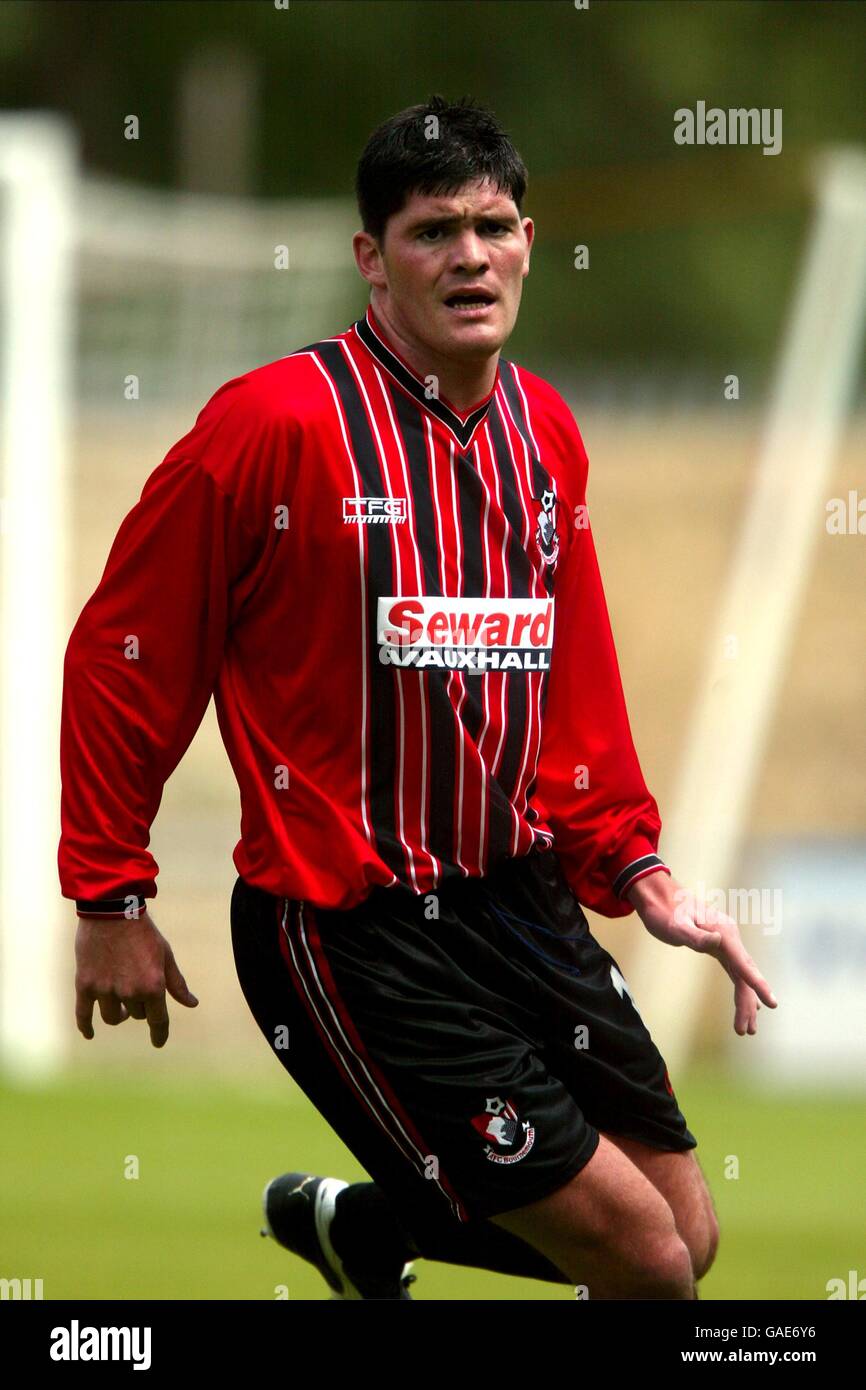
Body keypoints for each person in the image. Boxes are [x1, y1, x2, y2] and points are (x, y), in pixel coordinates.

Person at [60, 95, 777, 1301]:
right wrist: (108, 891)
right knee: (647, 1265)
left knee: (683, 1234)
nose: (468, 256)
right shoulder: (271, 425)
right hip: (353, 921)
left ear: (529, 242)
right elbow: (125, 650)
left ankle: (370, 1230)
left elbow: (572, 680)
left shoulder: (544, 431)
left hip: (520, 902)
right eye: (432, 231)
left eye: (492, 225)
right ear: (369, 258)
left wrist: (634, 870)